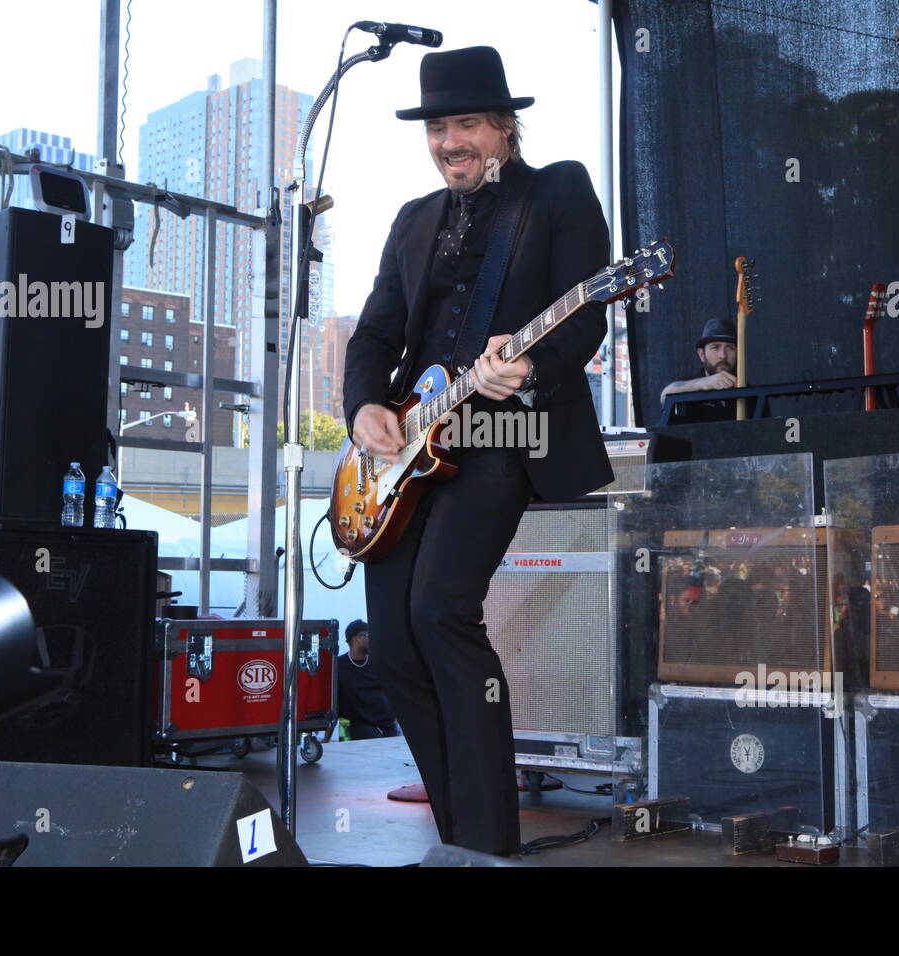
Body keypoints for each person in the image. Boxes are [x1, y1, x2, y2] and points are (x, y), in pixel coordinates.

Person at [341, 46, 613, 857]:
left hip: (503, 436)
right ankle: (458, 838)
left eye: (465, 124)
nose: (448, 142)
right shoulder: (413, 219)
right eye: (436, 128)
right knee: (393, 646)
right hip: (408, 450)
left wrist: (528, 366)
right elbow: (375, 332)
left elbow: (585, 314)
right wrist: (364, 406)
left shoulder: (556, 190)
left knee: (439, 611)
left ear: (504, 126)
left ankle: (490, 845)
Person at [335, 620, 400, 740]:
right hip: (351, 726)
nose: (372, 639)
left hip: (387, 725)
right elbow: (334, 703)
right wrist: (327, 738)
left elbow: (394, 690)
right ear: (355, 639)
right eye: (368, 635)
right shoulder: (338, 666)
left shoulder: (378, 662)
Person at [659, 316, 738, 406]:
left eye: (730, 348)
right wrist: (704, 383)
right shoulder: (691, 386)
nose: (723, 355)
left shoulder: (745, 389)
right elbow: (665, 396)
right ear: (702, 354)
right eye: (715, 347)